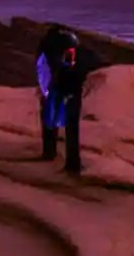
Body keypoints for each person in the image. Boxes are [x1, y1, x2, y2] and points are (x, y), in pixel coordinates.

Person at [35, 24, 99, 175]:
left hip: (54, 87)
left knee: (50, 122)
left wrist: (44, 87)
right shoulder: (73, 43)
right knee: (72, 129)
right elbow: (86, 63)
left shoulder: (47, 43)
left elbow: (41, 66)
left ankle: (49, 152)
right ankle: (73, 163)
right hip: (71, 89)